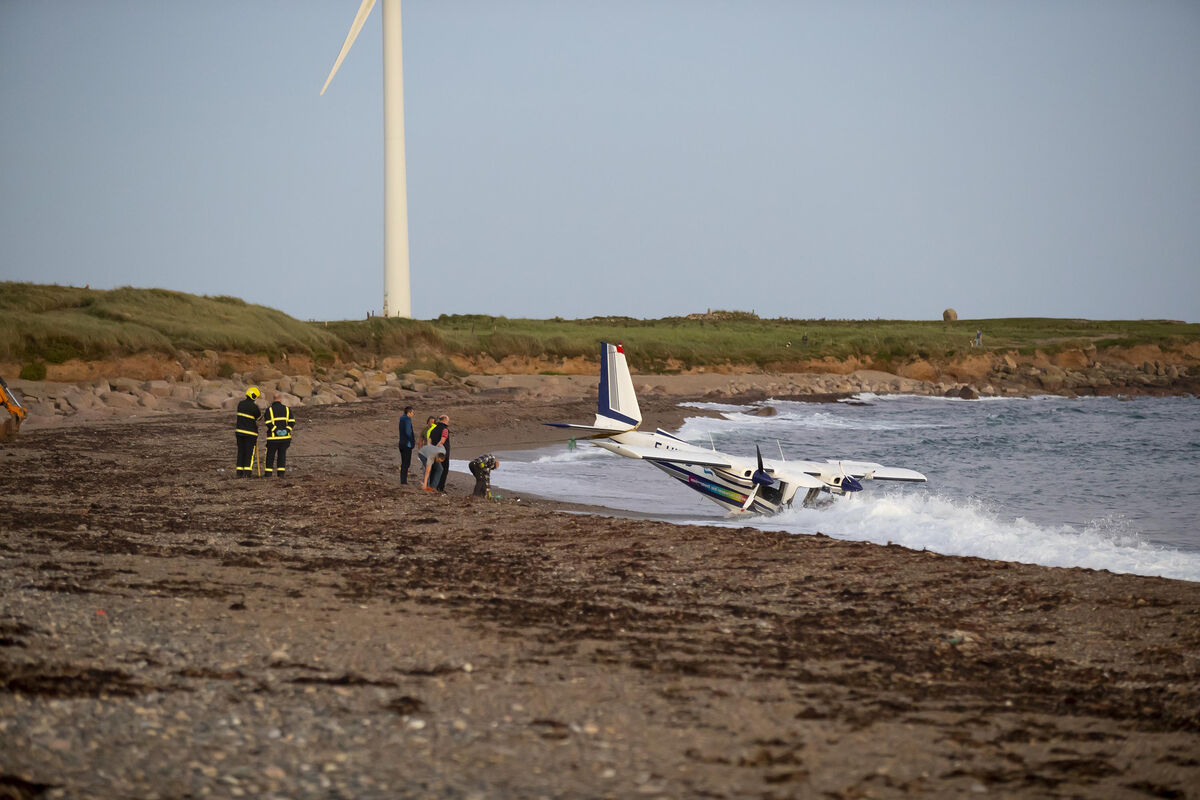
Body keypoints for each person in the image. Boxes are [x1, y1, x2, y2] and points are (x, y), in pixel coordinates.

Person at [263, 393, 295, 477]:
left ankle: (268, 474)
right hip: (285, 438)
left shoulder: (269, 410)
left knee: (270, 456)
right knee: (282, 456)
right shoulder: (287, 409)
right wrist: (286, 430)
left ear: (273, 399)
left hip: (272, 438)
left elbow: (268, 422)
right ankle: (281, 474)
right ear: (280, 399)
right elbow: (292, 422)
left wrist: (276, 430)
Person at [235, 387, 262, 477]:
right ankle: (247, 473)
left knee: (241, 451)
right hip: (251, 433)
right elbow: (258, 417)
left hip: (239, 432)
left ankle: (239, 472)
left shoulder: (240, 404)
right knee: (249, 453)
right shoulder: (254, 407)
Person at [428, 415, 451, 492]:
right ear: (444, 420)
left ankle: (432, 485)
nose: (448, 422)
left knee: (434, 469)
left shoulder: (433, 428)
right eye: (448, 420)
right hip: (442, 453)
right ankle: (440, 487)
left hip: (433, 453)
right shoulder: (445, 429)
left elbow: (429, 439)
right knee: (444, 470)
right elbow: (442, 441)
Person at [397, 406, 415, 484]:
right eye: (412, 413)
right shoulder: (407, 420)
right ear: (409, 413)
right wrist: (412, 441)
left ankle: (403, 480)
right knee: (406, 463)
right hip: (406, 444)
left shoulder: (401, 419)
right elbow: (408, 432)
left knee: (404, 462)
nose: (413, 414)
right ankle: (403, 481)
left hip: (401, 443)